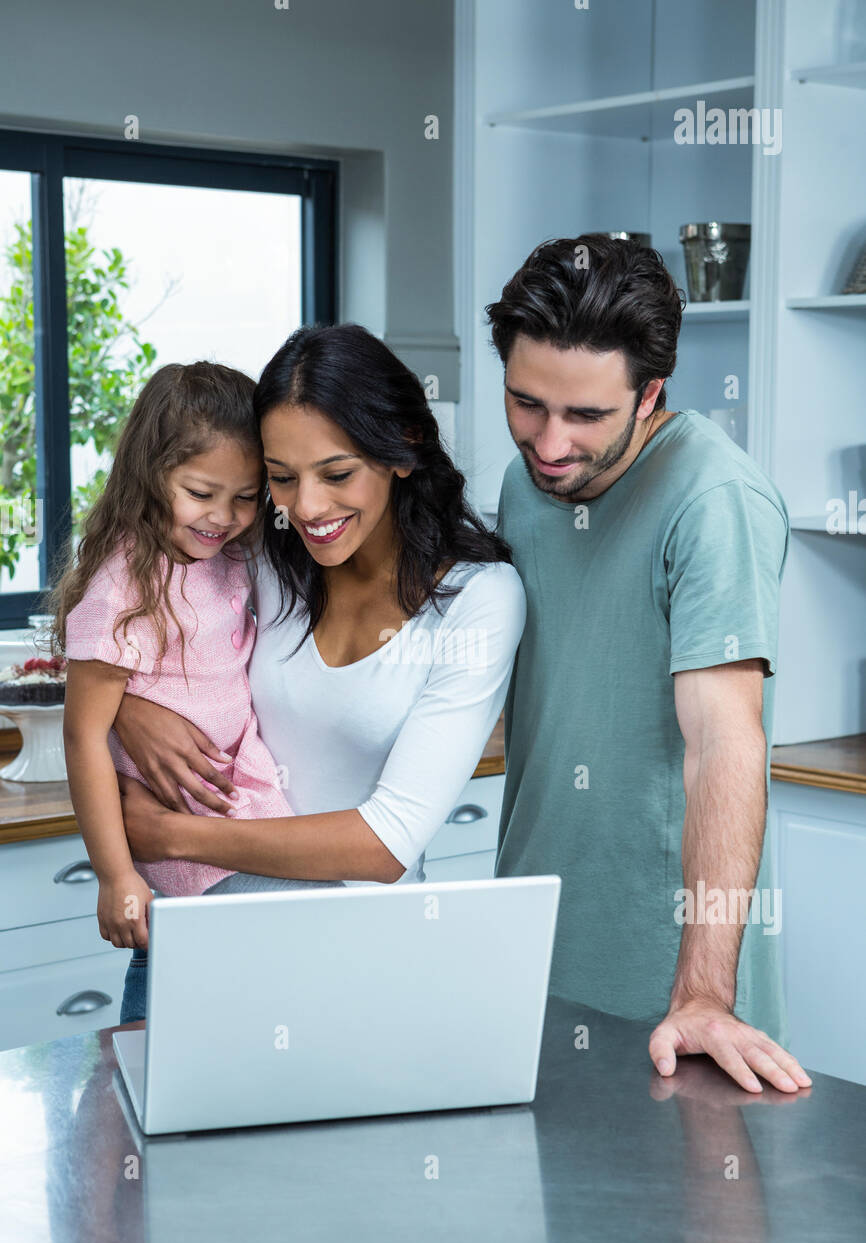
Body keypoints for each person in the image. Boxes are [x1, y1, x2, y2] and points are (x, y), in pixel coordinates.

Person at [487, 234, 811, 1096]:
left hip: (667, 994)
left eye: (586, 416)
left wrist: (704, 991)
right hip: (534, 949)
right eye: (526, 403)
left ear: (651, 392)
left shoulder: (713, 502)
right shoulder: (527, 487)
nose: (550, 442)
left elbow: (725, 742)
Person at [106, 323, 526, 956]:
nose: (306, 507)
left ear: (402, 449)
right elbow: (104, 617)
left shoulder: (480, 600)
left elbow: (386, 844)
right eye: (281, 477)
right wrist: (131, 709)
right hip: (201, 932)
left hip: (358, 952)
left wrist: (171, 836)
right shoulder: (262, 553)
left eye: (336, 474)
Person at [51, 363, 298, 1022]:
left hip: (242, 815)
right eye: (200, 492)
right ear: (149, 475)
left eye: (245, 497)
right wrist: (115, 876)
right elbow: (83, 737)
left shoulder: (233, 555)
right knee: (188, 1026)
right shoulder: (121, 592)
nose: (223, 517)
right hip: (190, 849)